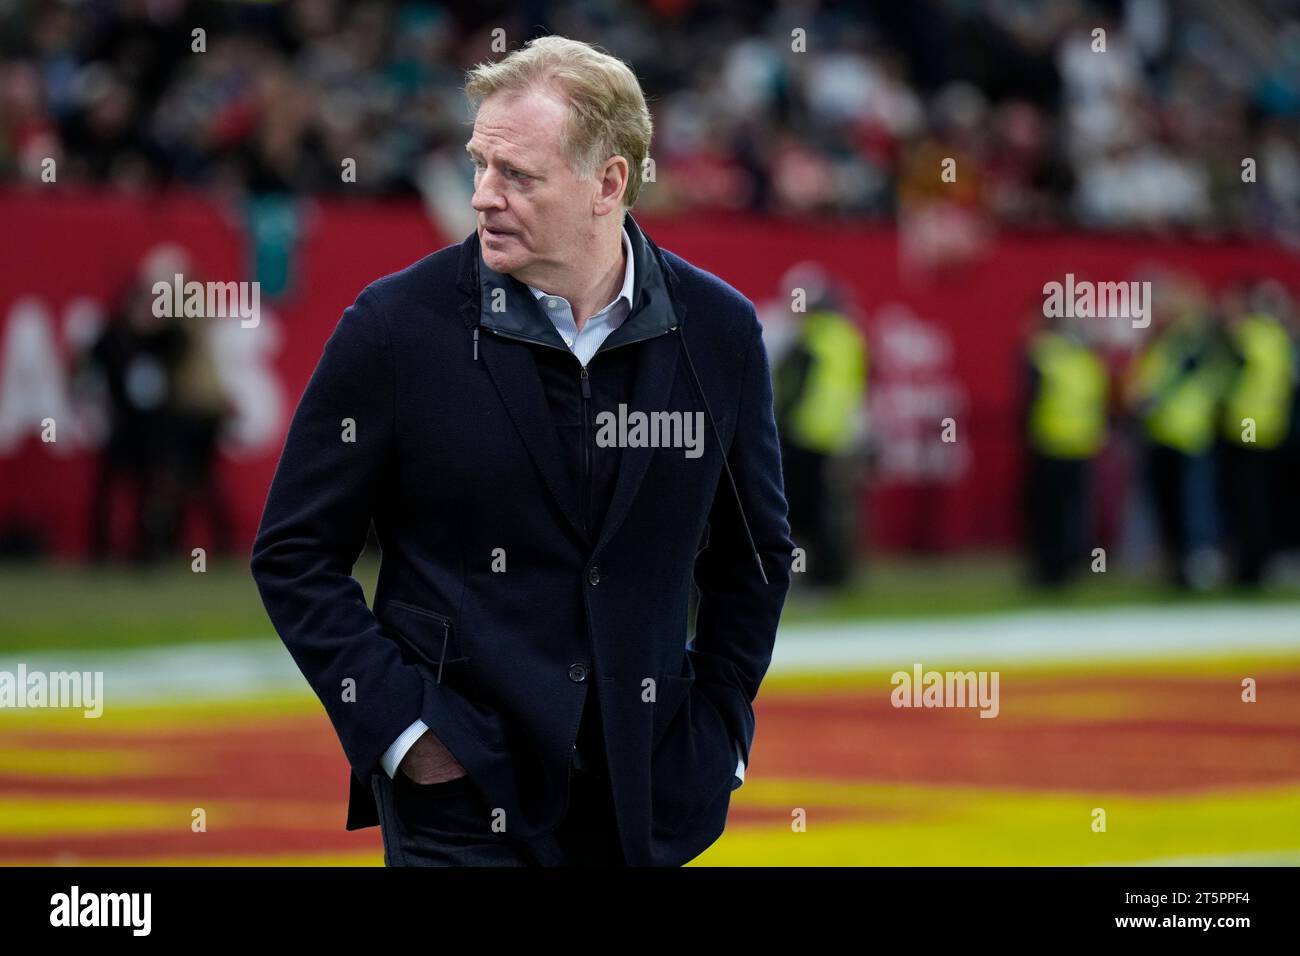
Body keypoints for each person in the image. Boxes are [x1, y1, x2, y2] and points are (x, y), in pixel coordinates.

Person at [250, 36, 794, 868]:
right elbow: (294, 552)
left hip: (647, 793)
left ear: (608, 183)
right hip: (460, 798)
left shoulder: (719, 330)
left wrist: (721, 724)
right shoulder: (395, 326)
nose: (482, 197)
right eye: (479, 165)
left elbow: (754, 557)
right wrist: (403, 731)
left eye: (518, 176)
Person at [771, 264, 868, 591]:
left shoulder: (813, 337)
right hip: (836, 436)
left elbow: (792, 387)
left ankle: (817, 578)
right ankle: (831, 576)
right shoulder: (847, 334)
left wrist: (781, 424)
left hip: (806, 436)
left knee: (804, 514)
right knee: (829, 513)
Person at [1021, 311, 1109, 587]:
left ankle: (1051, 569)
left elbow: (1030, 395)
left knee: (1049, 512)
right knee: (1075, 511)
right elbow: (1099, 400)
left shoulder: (1044, 354)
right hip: (1081, 442)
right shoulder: (1088, 359)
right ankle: (1072, 566)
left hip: (1051, 441)